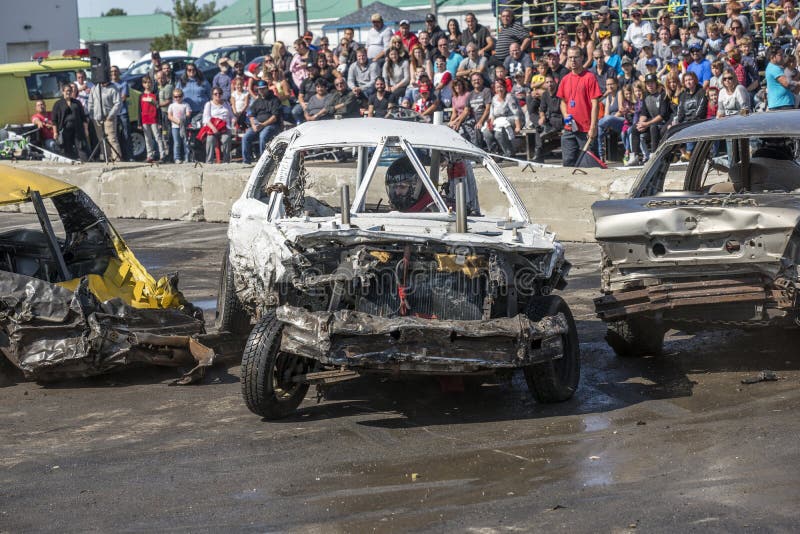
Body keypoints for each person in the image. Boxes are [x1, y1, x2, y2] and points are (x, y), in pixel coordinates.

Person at [557, 46, 602, 167]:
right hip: (569, 129)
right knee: (567, 163)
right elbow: (562, 101)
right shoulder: (565, 79)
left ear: (582, 58)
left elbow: (595, 103)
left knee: (590, 164)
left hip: (586, 129)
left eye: (576, 57)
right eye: (570, 57)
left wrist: (593, 127)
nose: (573, 60)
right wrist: (566, 114)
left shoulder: (589, 77)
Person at [628, 73, 671, 166]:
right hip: (651, 122)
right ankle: (634, 156)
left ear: (656, 83)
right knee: (634, 128)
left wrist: (647, 124)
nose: (650, 85)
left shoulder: (663, 94)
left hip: (663, 123)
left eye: (652, 83)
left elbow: (662, 115)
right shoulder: (646, 95)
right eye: (647, 83)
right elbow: (644, 113)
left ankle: (653, 155)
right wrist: (641, 124)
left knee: (653, 127)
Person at [241, 80, 281, 165]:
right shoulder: (257, 101)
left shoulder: (274, 99)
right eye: (259, 89)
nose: (261, 91)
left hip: (271, 125)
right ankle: (246, 161)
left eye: (263, 89)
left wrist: (262, 125)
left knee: (263, 136)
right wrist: (253, 125)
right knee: (245, 137)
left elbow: (274, 117)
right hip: (258, 125)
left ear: (267, 88)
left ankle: (264, 161)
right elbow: (251, 114)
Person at [482, 79, 521, 157]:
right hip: (498, 121)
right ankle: (495, 153)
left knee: (498, 133)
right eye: (497, 87)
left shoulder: (509, 97)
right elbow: (492, 114)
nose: (499, 89)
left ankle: (509, 153)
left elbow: (516, 113)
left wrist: (518, 126)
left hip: (511, 119)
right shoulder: (494, 99)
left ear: (505, 87)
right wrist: (490, 124)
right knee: (486, 132)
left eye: (501, 87)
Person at [51, 83, 88, 161]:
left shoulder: (77, 102)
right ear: (63, 92)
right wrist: (55, 132)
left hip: (78, 130)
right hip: (65, 130)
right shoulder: (58, 104)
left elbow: (83, 118)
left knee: (81, 149)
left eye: (70, 91)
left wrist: (86, 130)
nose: (68, 92)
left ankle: (86, 163)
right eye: (67, 91)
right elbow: (54, 120)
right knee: (67, 150)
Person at [87, 81, 122, 161]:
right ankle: (107, 158)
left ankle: (117, 159)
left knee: (111, 139)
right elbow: (90, 103)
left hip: (109, 118)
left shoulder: (113, 88)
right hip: (97, 119)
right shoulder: (94, 88)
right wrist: (92, 115)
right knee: (101, 139)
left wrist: (110, 115)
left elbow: (118, 103)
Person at [531, 75, 563, 163]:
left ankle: (540, 153)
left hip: (560, 119)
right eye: (547, 82)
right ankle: (538, 153)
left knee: (551, 124)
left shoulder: (560, 93)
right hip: (550, 119)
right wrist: (542, 117)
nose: (549, 84)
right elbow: (542, 109)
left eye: (551, 82)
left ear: (555, 82)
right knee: (538, 127)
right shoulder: (545, 94)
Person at [201, 87, 234, 163]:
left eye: (220, 93)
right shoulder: (209, 104)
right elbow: (206, 118)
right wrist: (213, 128)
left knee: (226, 139)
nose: (218, 95)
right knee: (210, 139)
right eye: (215, 94)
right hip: (213, 127)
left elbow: (231, 115)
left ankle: (226, 161)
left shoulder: (226, 104)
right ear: (212, 95)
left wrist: (233, 119)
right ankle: (209, 161)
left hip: (225, 127)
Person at [140, 75, 167, 163]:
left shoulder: (155, 95)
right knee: (147, 138)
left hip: (154, 118)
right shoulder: (141, 95)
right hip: (144, 119)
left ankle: (162, 155)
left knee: (157, 137)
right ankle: (150, 155)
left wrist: (159, 121)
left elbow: (158, 108)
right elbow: (139, 110)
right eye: (145, 83)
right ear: (143, 84)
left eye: (149, 82)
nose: (147, 84)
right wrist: (139, 123)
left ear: (152, 83)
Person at [109, 65, 131, 160]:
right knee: (114, 135)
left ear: (118, 72)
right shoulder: (109, 85)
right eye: (112, 71)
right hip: (113, 113)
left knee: (126, 134)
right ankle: (117, 156)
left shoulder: (124, 84)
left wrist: (113, 101)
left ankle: (129, 156)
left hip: (122, 112)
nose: (114, 73)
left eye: (115, 71)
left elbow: (123, 97)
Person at [765, 46, 797, 110]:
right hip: (781, 105)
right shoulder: (774, 68)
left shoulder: (777, 67)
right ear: (772, 57)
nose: (783, 57)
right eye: (780, 55)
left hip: (784, 104)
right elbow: (786, 83)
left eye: (783, 54)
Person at [168, 88, 192, 163]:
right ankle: (177, 158)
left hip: (184, 126)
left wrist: (183, 120)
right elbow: (170, 116)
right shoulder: (172, 105)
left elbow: (188, 114)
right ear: (173, 97)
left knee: (186, 142)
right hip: (175, 127)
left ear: (182, 96)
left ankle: (187, 157)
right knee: (177, 143)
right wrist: (178, 121)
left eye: (179, 96)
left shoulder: (186, 104)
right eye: (176, 96)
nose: (178, 98)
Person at [469, 73, 493, 148]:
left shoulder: (486, 91)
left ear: (482, 80)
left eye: (478, 79)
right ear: (471, 82)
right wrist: (457, 122)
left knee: (478, 128)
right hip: (475, 119)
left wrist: (480, 121)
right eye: (474, 80)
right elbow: (466, 111)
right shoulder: (470, 94)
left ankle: (492, 151)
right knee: (463, 127)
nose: (476, 81)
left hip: (486, 119)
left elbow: (488, 109)